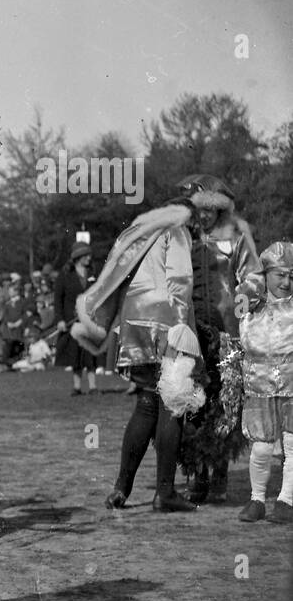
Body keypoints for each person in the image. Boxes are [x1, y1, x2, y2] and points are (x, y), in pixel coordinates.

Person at [75, 190, 208, 512]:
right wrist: (179, 331)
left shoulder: (138, 233)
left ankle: (121, 488)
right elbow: (179, 280)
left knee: (146, 404)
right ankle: (165, 492)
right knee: (172, 405)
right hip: (164, 322)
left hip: (132, 321)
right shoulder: (175, 232)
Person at [178, 175, 259, 504]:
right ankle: (196, 471)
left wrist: (243, 300)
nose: (205, 215)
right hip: (191, 334)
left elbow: (253, 277)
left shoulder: (236, 237)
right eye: (199, 209)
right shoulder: (181, 237)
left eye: (211, 208)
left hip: (228, 333)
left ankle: (221, 470)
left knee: (227, 404)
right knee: (194, 402)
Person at [236, 242, 293, 523]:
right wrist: (250, 288)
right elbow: (235, 310)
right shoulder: (252, 303)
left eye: (292, 275)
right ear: (266, 273)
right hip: (259, 384)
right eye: (280, 274)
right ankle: (257, 499)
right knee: (261, 444)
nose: (286, 281)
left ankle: (287, 500)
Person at [54, 243, 100, 395]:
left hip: (90, 321)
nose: (89, 258)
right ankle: (77, 387)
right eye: (86, 255)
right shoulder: (65, 275)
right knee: (75, 354)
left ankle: (93, 387)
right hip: (71, 321)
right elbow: (58, 300)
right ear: (77, 257)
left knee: (90, 353)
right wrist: (60, 319)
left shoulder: (93, 272)